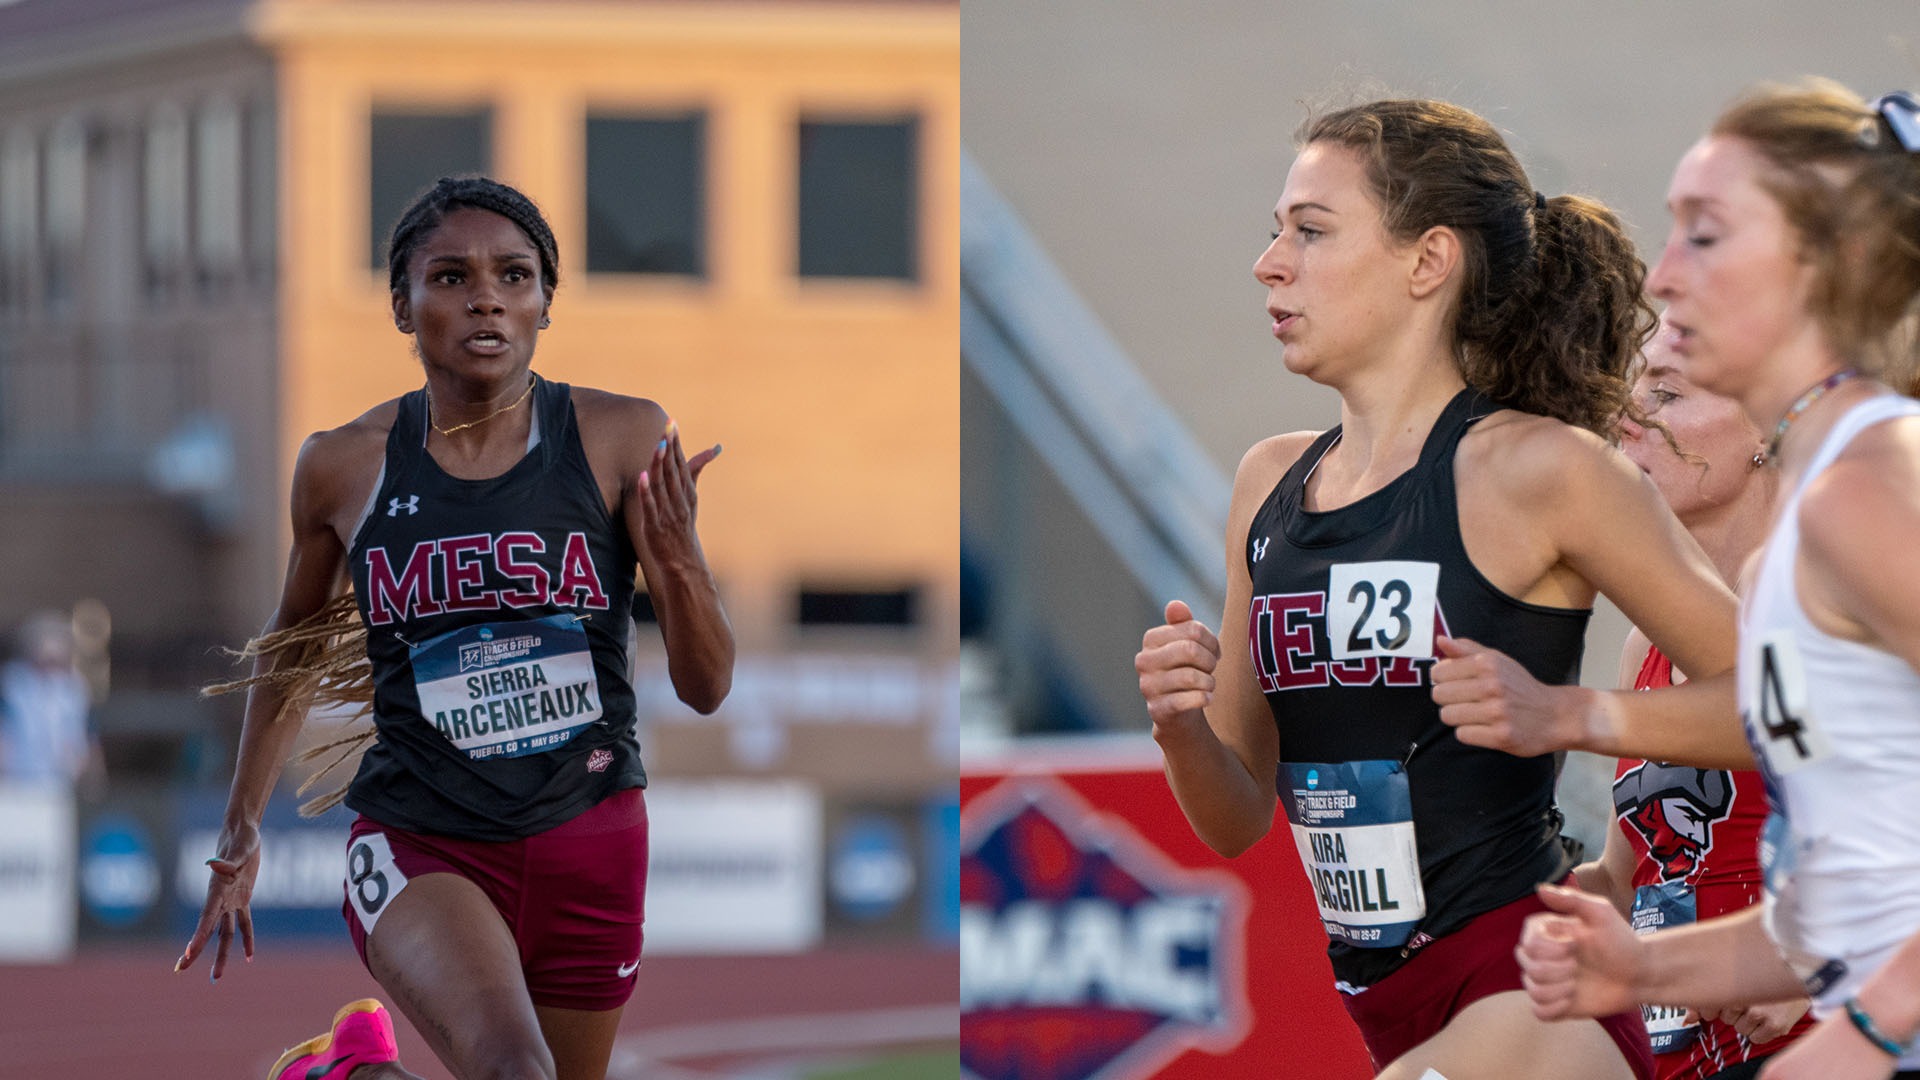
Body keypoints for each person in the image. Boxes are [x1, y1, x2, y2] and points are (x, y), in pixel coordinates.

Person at [1134, 97, 1742, 1079]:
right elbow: (1238, 814)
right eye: (1275, 231)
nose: (1270, 261)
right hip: (1383, 1006)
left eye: (1312, 230)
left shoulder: (1545, 470)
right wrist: (1180, 725)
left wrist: (1573, 712)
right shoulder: (1269, 483)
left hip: (1529, 994)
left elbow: (1787, 700)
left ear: (1429, 262)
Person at [173, 176, 735, 1080]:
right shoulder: (343, 466)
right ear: (403, 304)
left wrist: (677, 561)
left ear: (546, 304)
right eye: (451, 277)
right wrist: (240, 834)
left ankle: (349, 1074)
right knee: (515, 1069)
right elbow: (293, 653)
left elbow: (707, 689)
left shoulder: (622, 436)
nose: (486, 296)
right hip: (422, 840)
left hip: (591, 838)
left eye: (515, 276)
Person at [1516, 81, 1920, 1080]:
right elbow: (1838, 897)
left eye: (1707, 234)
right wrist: (1638, 967)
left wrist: (1874, 1023)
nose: (1663, 275)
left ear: (1831, 261)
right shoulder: (1821, 494)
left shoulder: (1864, 489)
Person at [1572, 326, 1813, 1079]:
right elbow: (1623, 880)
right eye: (1630, 392)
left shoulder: (1838, 607)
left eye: (1667, 394)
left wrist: (1815, 953)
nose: (1627, 416)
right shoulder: (1647, 643)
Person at [0, 610, 102, 793]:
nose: (51, 668)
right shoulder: (12, 687)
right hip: (18, 779)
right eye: (46, 660)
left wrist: (92, 778)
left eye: (56, 660)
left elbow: (88, 737)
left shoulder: (74, 690)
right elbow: (5, 736)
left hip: (61, 781)